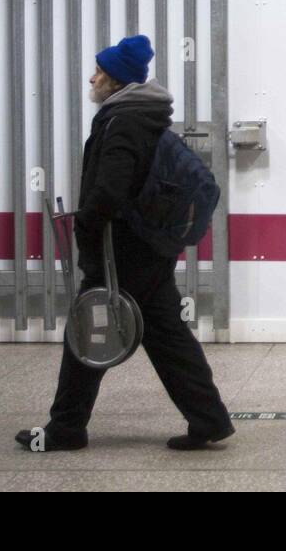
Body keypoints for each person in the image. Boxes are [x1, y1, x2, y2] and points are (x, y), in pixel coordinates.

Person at [17, 35, 235, 452]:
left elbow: (109, 190)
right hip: (148, 247)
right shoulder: (144, 116)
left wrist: (86, 228)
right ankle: (209, 419)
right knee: (165, 335)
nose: (92, 78)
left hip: (121, 251)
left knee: (87, 329)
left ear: (116, 80)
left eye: (99, 72)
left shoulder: (123, 122)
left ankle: (66, 428)